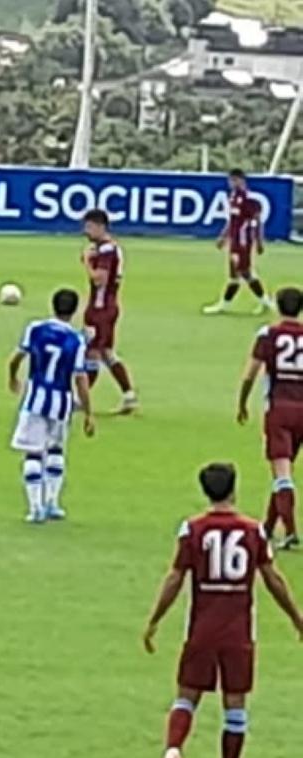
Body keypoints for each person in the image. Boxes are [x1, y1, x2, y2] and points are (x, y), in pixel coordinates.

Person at [143, 462, 303, 758]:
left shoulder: (193, 529)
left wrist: (155, 619)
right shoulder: (253, 530)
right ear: (234, 489)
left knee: (187, 695)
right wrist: (296, 618)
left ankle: (173, 749)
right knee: (235, 704)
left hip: (202, 629)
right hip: (238, 633)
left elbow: (175, 578)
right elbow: (273, 580)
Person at [7, 288, 95, 523]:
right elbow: (80, 377)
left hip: (35, 400)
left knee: (33, 452)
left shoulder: (35, 329)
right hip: (61, 403)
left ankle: (35, 507)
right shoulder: (76, 340)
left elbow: (17, 357)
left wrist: (12, 377)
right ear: (74, 311)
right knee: (56, 450)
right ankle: (52, 503)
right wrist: (88, 411)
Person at [237, 286, 303, 550]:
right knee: (284, 468)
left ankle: (291, 532)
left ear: (277, 305)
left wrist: (242, 403)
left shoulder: (268, 334)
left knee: (281, 472)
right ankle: (268, 526)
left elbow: (250, 374)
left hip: (279, 408)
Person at [81, 208, 139, 414]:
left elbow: (100, 279)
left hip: (100, 309)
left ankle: (79, 399)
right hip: (108, 307)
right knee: (106, 353)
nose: (85, 231)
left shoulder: (106, 250)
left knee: (91, 353)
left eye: (89, 227)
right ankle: (129, 396)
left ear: (100, 226)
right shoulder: (110, 247)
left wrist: (86, 261)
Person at [205, 170, 273, 315]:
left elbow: (257, 221)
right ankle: (262, 302)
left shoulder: (249, 198)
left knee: (243, 272)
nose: (230, 183)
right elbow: (232, 220)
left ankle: (267, 302)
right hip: (235, 240)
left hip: (243, 241)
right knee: (236, 275)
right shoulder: (233, 197)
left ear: (240, 180)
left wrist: (259, 241)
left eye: (232, 180)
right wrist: (223, 236)